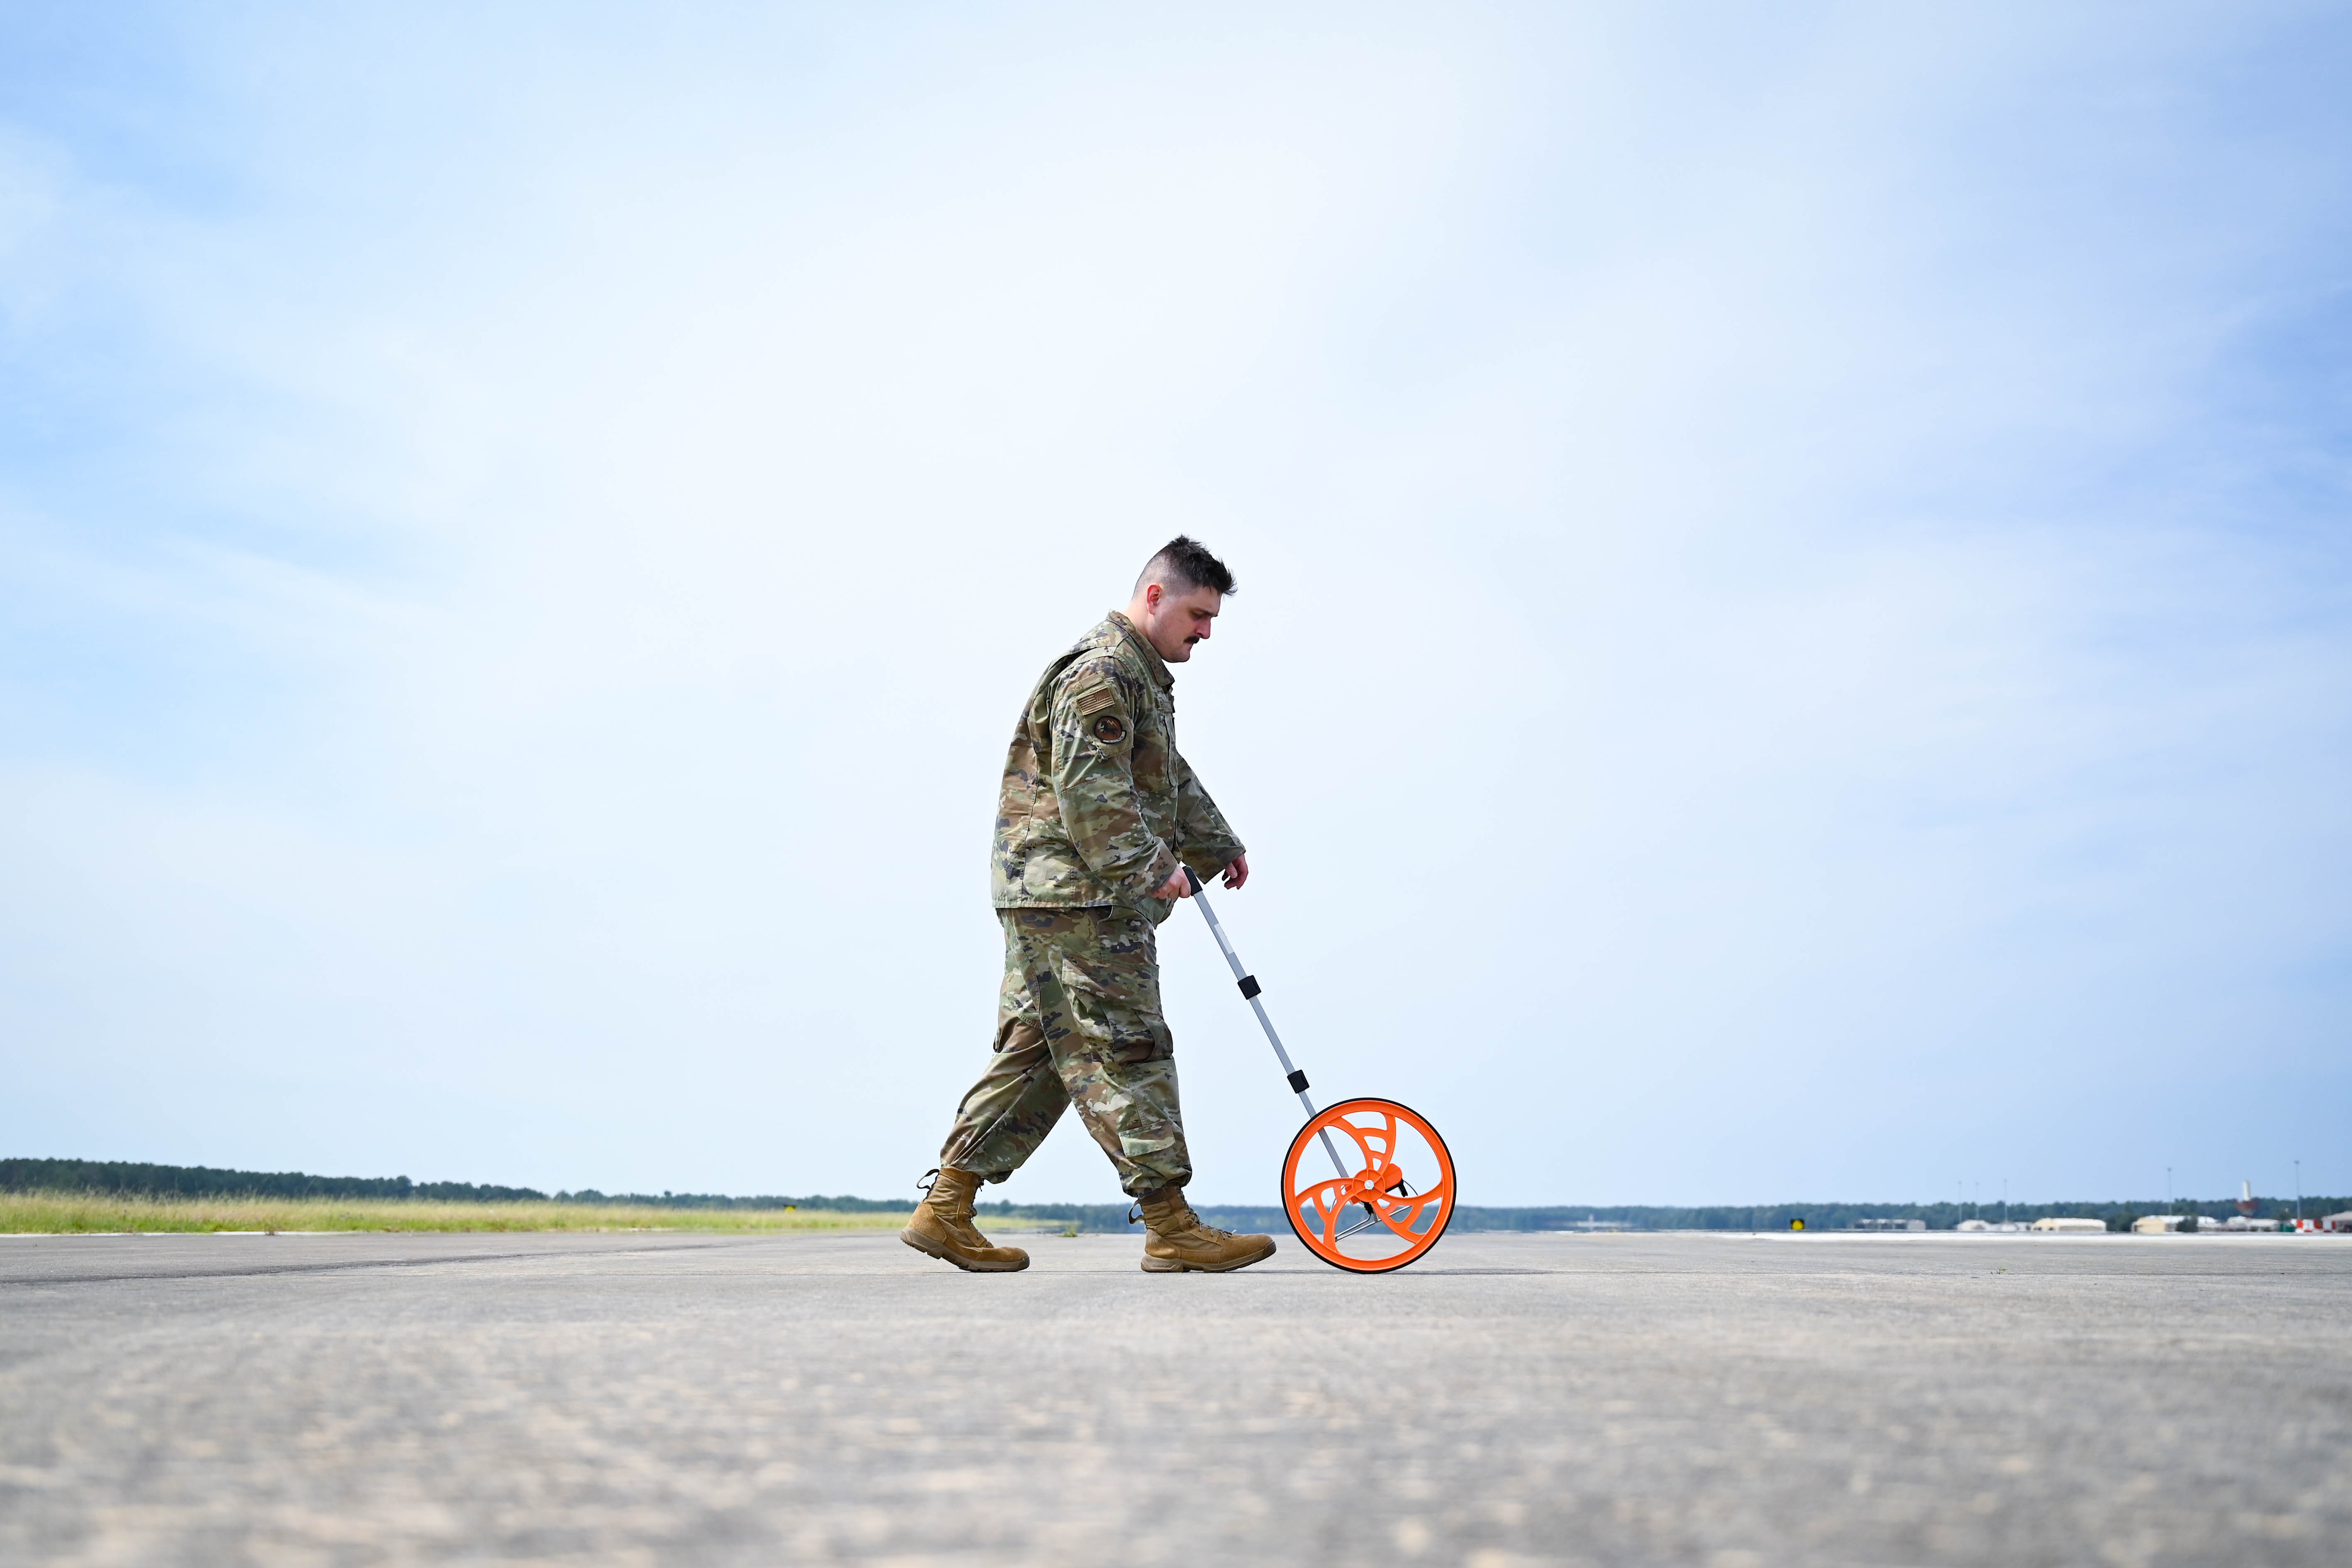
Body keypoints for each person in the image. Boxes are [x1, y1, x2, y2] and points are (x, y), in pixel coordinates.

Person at [902, 537, 1277, 1275]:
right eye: (1198, 615)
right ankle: (1170, 1225)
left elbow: (1161, 773)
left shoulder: (1135, 675)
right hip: (1080, 898)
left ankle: (945, 1207)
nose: (1206, 632)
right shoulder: (1102, 674)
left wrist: (1215, 843)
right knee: (1130, 1046)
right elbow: (1091, 788)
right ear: (1154, 597)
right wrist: (1150, 866)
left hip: (1058, 894)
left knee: (1040, 1055)